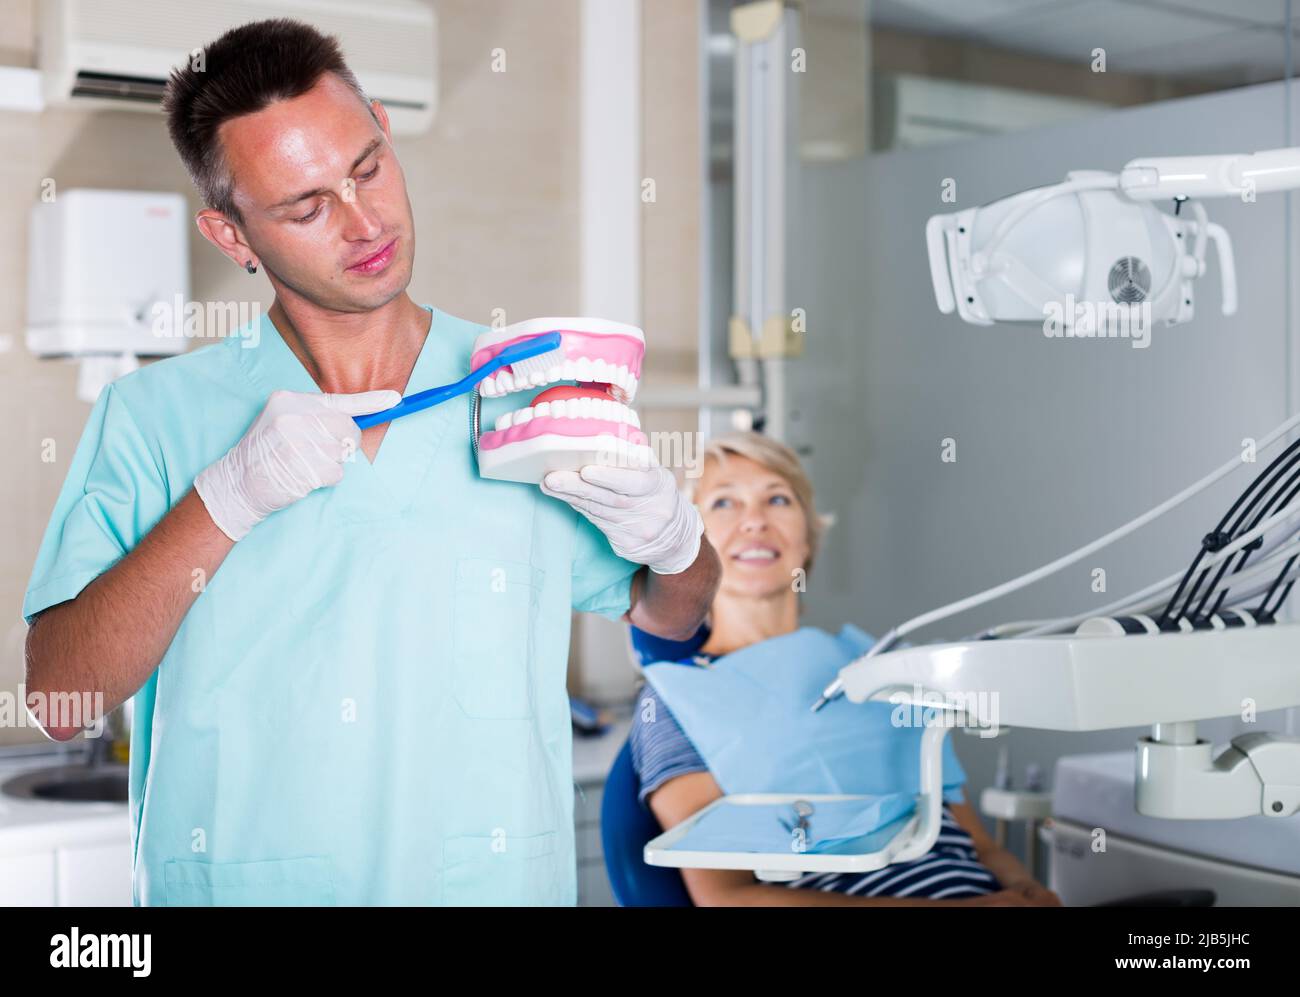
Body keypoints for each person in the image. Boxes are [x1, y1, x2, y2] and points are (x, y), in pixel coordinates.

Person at [22, 18, 719, 906]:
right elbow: (60, 701)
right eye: (307, 207)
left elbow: (674, 613)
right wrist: (224, 502)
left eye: (367, 168)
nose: (364, 223)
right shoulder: (155, 416)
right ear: (233, 237)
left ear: (384, 129)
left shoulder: (524, 382)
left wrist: (674, 536)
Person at [630, 432, 1062, 906]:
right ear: (689, 542)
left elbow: (979, 845)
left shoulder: (883, 667)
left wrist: (1025, 887)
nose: (754, 521)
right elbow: (729, 899)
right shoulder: (675, 701)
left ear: (808, 537)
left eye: (777, 499)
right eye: (724, 503)